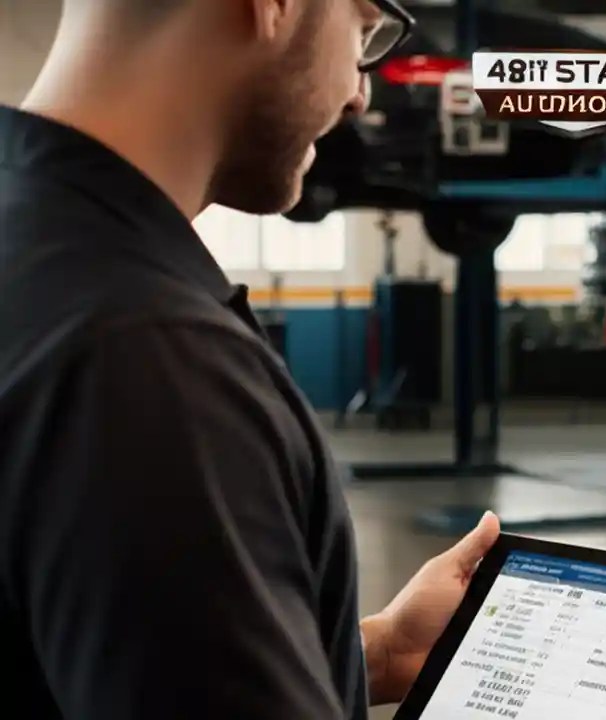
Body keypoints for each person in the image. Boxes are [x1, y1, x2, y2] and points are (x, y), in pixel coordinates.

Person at [0, 1, 500, 718]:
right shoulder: (154, 361)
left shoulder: (34, 243)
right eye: (362, 28)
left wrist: (374, 654)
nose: (360, 92)